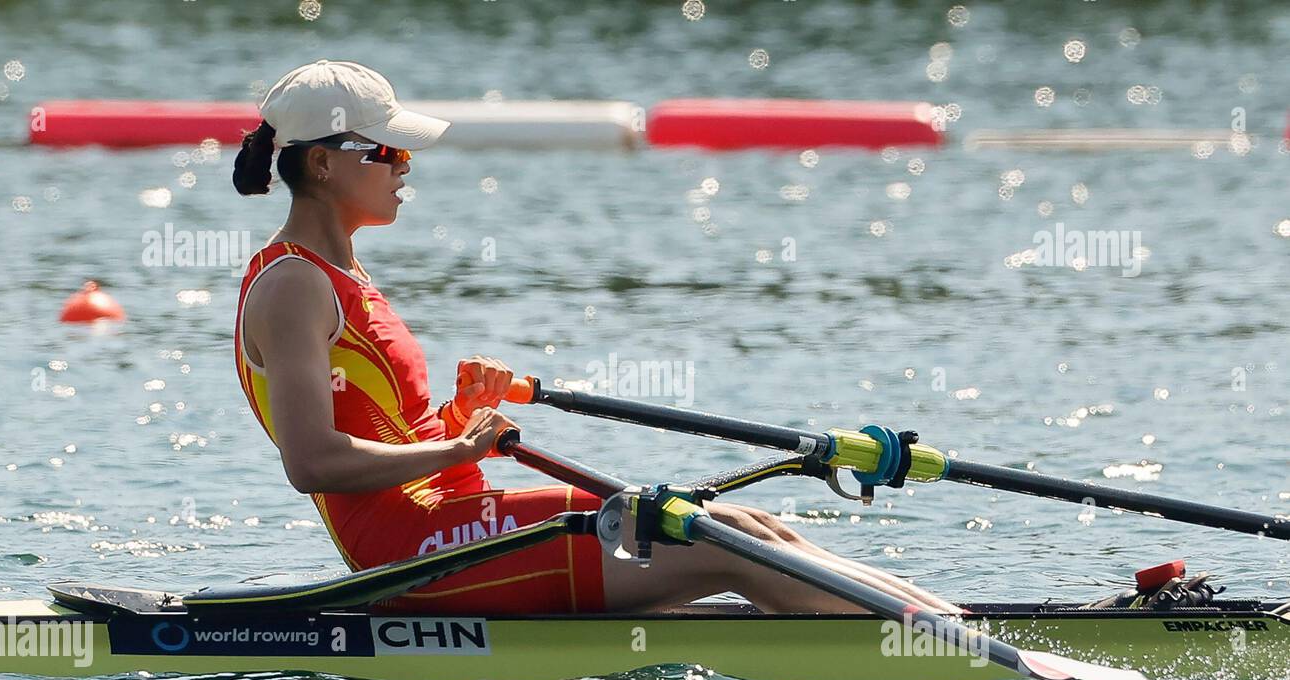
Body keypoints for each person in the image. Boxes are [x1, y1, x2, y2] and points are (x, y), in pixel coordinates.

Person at [230, 59, 960, 616]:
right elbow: (312, 460)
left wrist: (459, 419)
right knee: (720, 544)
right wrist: (456, 448)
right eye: (386, 153)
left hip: (448, 519)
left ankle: (940, 618)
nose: (405, 167)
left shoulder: (339, 270)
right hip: (412, 551)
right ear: (322, 162)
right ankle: (928, 641)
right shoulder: (293, 286)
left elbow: (385, 429)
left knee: (741, 522)